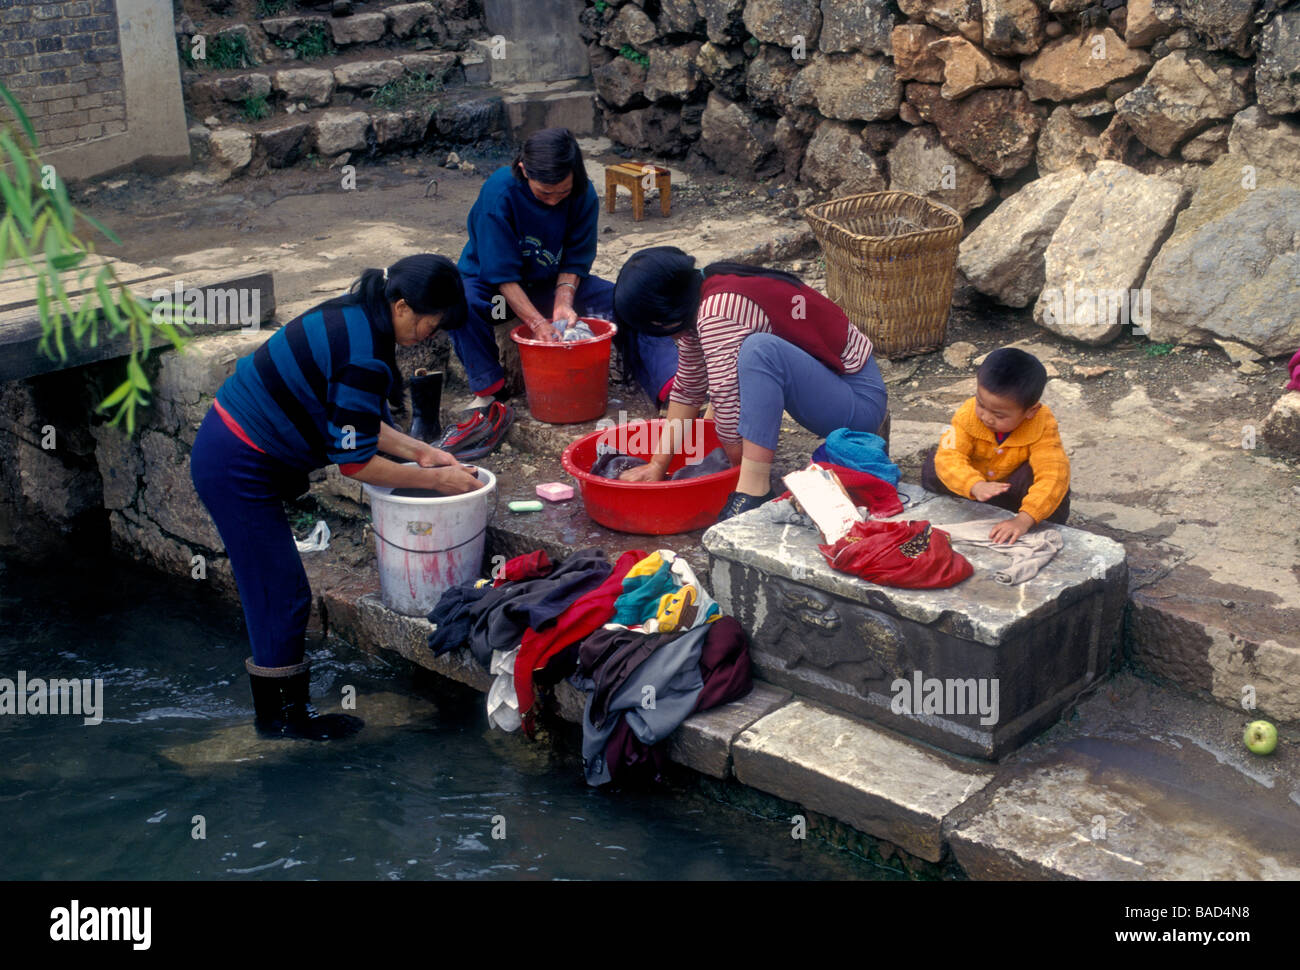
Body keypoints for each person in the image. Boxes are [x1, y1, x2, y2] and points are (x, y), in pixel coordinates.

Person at [191, 254, 482, 741]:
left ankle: (283, 711)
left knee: (276, 594)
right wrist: (435, 481)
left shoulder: (358, 315)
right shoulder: (363, 355)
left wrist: (421, 453)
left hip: (237, 445)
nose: (433, 334)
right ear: (404, 307)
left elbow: (357, 426)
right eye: (433, 323)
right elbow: (355, 463)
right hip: (237, 465)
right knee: (281, 597)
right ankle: (282, 722)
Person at [611, 246, 888, 522]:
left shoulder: (717, 311)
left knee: (759, 352)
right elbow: (688, 387)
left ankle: (754, 489)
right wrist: (658, 464)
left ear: (659, 317)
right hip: (835, 390)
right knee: (751, 359)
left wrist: (733, 469)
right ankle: (750, 478)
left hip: (858, 404)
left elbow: (726, 398)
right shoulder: (701, 294)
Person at [450, 127, 677, 414]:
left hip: (549, 284)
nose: (555, 201)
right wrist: (537, 324)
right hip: (496, 292)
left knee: (630, 302)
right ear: (524, 170)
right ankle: (490, 392)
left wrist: (562, 302)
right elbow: (501, 275)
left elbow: (575, 259)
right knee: (462, 303)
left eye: (563, 193)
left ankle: (669, 387)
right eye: (545, 194)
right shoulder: (500, 194)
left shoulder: (583, 194)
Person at [922, 347, 1071, 544]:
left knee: (1051, 486)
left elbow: (1053, 474)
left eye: (999, 415)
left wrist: (1024, 520)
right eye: (981, 404)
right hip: (978, 487)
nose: (986, 417)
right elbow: (950, 457)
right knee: (935, 463)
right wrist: (974, 485)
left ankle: (1023, 514)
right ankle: (977, 496)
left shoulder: (1042, 424)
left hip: (1013, 491)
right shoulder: (968, 414)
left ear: (1030, 411)